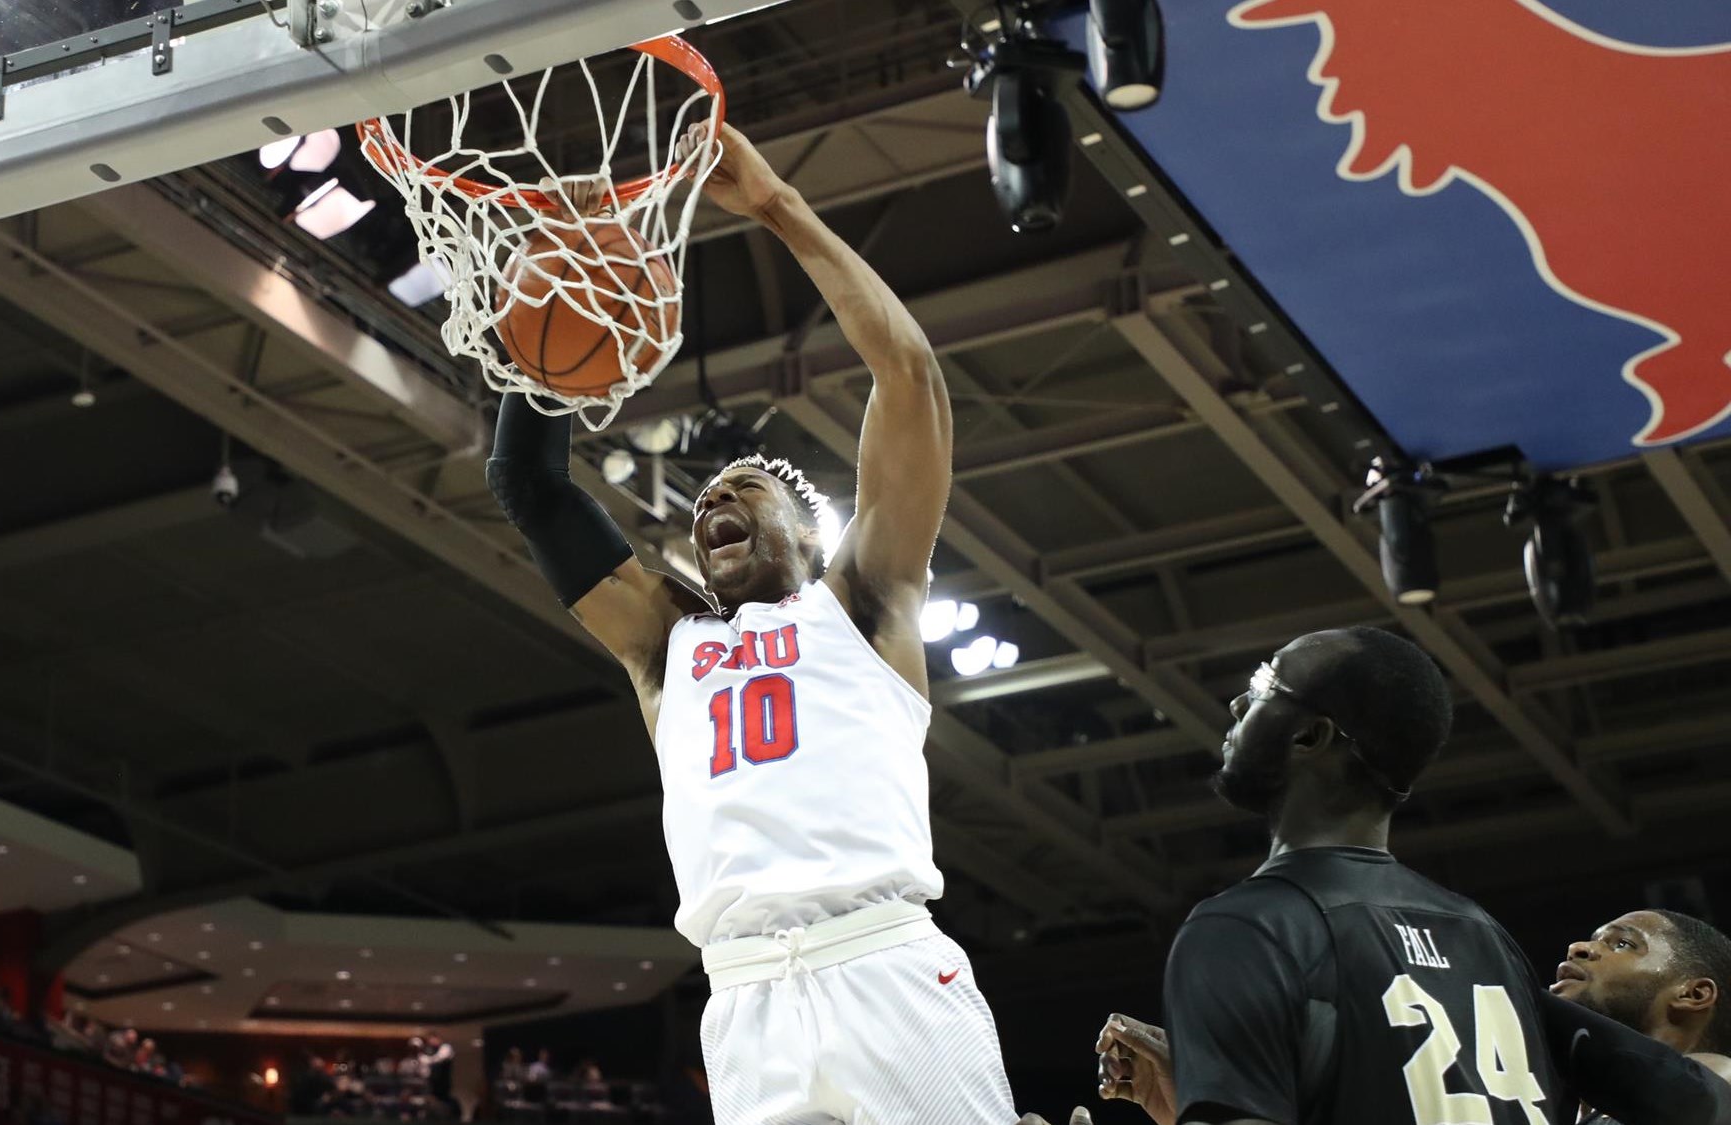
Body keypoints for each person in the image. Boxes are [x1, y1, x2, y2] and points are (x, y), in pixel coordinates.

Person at [485, 120, 1019, 1124]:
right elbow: (526, 483)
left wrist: (779, 208)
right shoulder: (666, 647)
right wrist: (554, 298)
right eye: (701, 501)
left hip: (883, 967)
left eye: (741, 489)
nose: (708, 502)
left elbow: (908, 378)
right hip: (741, 999)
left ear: (811, 540)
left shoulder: (863, 603)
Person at [1077, 627, 1731, 1125]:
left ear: (1310, 736)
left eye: (1262, 686)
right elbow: (1701, 1101)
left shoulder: (1245, 927)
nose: (1236, 700)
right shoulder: (1485, 936)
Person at [1555, 908, 1731, 1122]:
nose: (1577, 948)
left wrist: (1516, 989)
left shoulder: (1720, 1081)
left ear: (1693, 994)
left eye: (1622, 944)